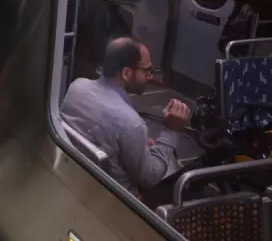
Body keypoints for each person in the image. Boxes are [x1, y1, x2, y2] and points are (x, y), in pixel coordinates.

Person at [60, 36, 192, 195]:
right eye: (147, 71)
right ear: (127, 73)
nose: (150, 76)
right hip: (114, 197)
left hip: (74, 176)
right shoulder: (131, 123)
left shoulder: (77, 86)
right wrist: (171, 130)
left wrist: (137, 144)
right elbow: (150, 178)